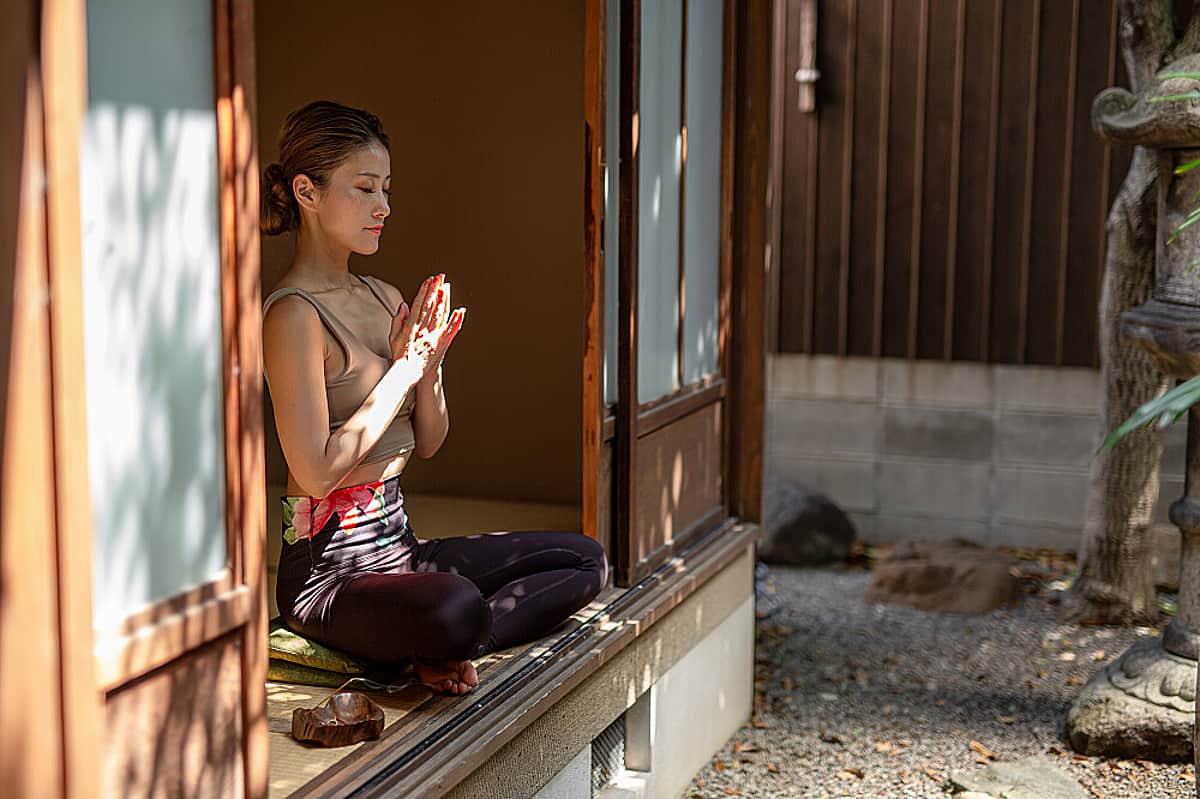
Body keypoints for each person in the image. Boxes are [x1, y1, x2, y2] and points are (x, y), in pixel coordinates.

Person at [260, 100, 607, 695]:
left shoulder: (381, 293)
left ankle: (444, 647)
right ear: (306, 192)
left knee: (584, 559)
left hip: (400, 549)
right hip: (330, 576)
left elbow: (428, 440)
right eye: (365, 188)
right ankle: (444, 636)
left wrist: (431, 368)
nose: (383, 207)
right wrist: (405, 368)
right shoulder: (293, 315)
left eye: (386, 190)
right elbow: (316, 472)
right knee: (455, 604)